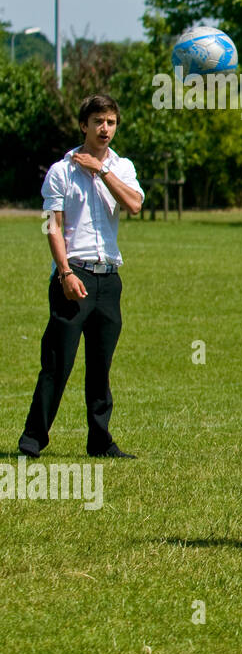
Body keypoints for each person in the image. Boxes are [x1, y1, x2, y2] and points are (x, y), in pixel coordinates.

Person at [18, 94, 144, 461]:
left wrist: (102, 171)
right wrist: (65, 272)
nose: (105, 129)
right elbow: (51, 225)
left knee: (101, 367)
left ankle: (100, 441)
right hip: (75, 277)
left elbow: (134, 205)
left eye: (111, 122)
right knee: (58, 363)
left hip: (109, 279)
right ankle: (32, 440)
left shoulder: (121, 166)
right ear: (83, 126)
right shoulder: (61, 171)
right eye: (98, 122)